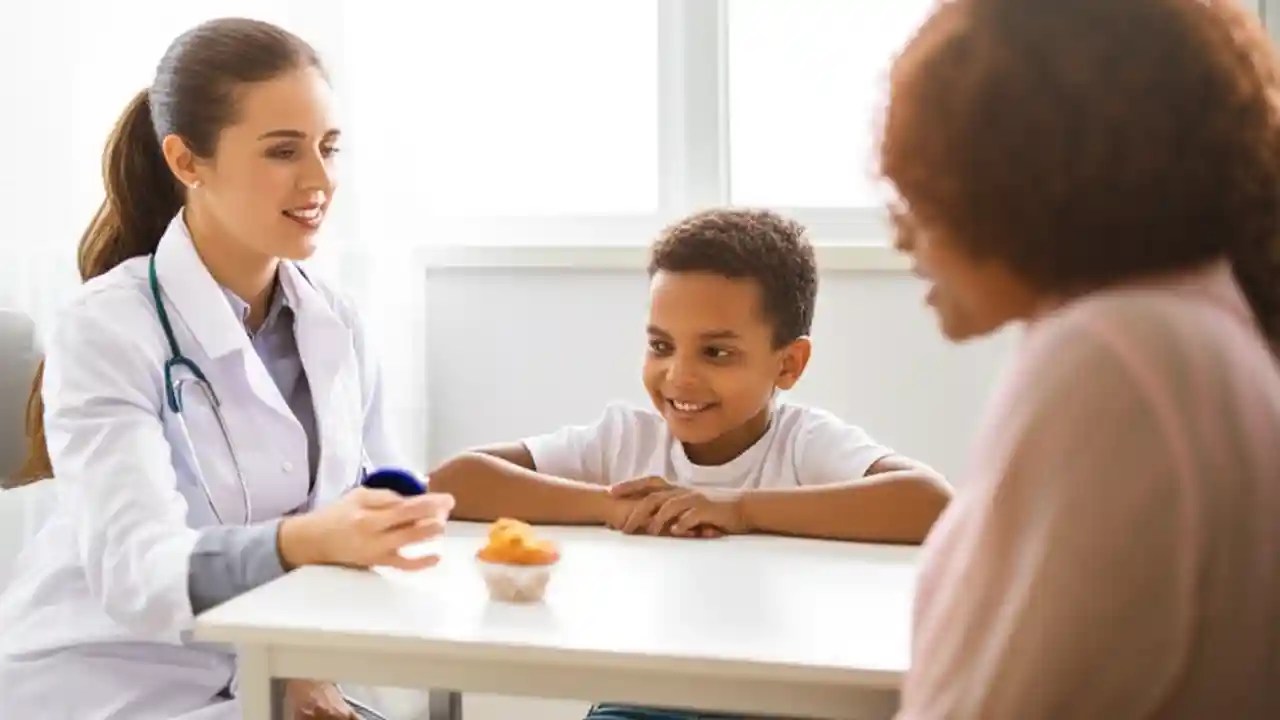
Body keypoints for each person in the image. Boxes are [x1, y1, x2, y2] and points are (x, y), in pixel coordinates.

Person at [0, 18, 454, 720]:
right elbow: (138, 575)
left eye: (329, 148)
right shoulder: (107, 327)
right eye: (283, 151)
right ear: (187, 162)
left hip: (263, 679)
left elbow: (382, 496)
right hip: (106, 683)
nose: (319, 181)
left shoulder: (337, 323)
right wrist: (304, 544)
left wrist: (303, 659)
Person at [879, 0, 1280, 717]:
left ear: (1031, 171)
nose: (903, 232)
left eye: (927, 186)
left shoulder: (1112, 359)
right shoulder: (1195, 334)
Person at [431, 208, 951, 544]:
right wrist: (609, 507)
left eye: (717, 353)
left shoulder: (802, 446)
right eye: (661, 346)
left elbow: (930, 503)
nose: (678, 377)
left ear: (787, 364)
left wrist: (737, 508)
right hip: (641, 694)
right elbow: (453, 483)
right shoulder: (626, 442)